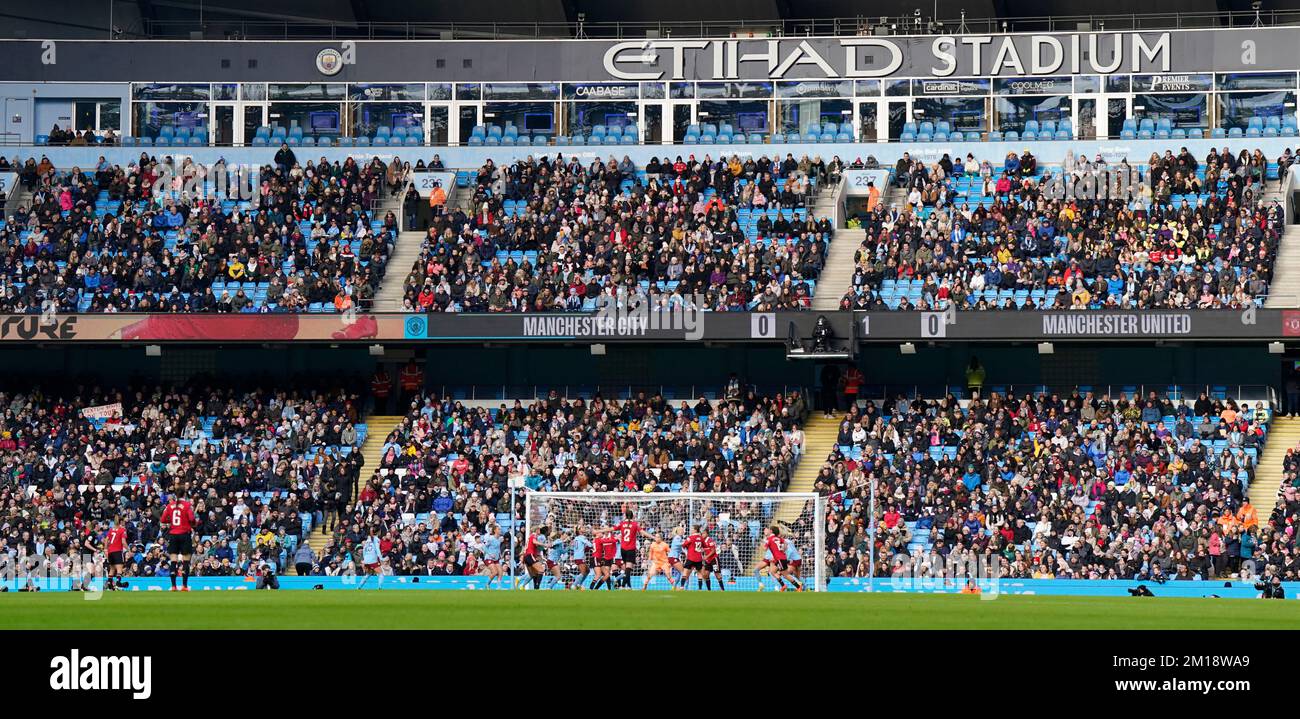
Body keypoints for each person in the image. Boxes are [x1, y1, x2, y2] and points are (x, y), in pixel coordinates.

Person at [162, 488, 197, 592]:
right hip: (184, 534)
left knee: (173, 560)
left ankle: (173, 586)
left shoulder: (170, 505)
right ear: (184, 494)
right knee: (186, 560)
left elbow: (163, 519)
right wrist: (192, 523)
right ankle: (184, 586)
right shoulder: (186, 505)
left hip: (173, 534)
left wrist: (172, 520)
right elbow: (191, 519)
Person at [105, 519, 128, 590]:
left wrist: (106, 549)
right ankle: (118, 583)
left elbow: (106, 540)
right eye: (123, 524)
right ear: (121, 523)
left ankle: (109, 584)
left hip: (110, 552)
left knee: (112, 568)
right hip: (117, 551)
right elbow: (123, 542)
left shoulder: (111, 530)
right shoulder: (122, 530)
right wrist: (128, 549)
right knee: (119, 568)